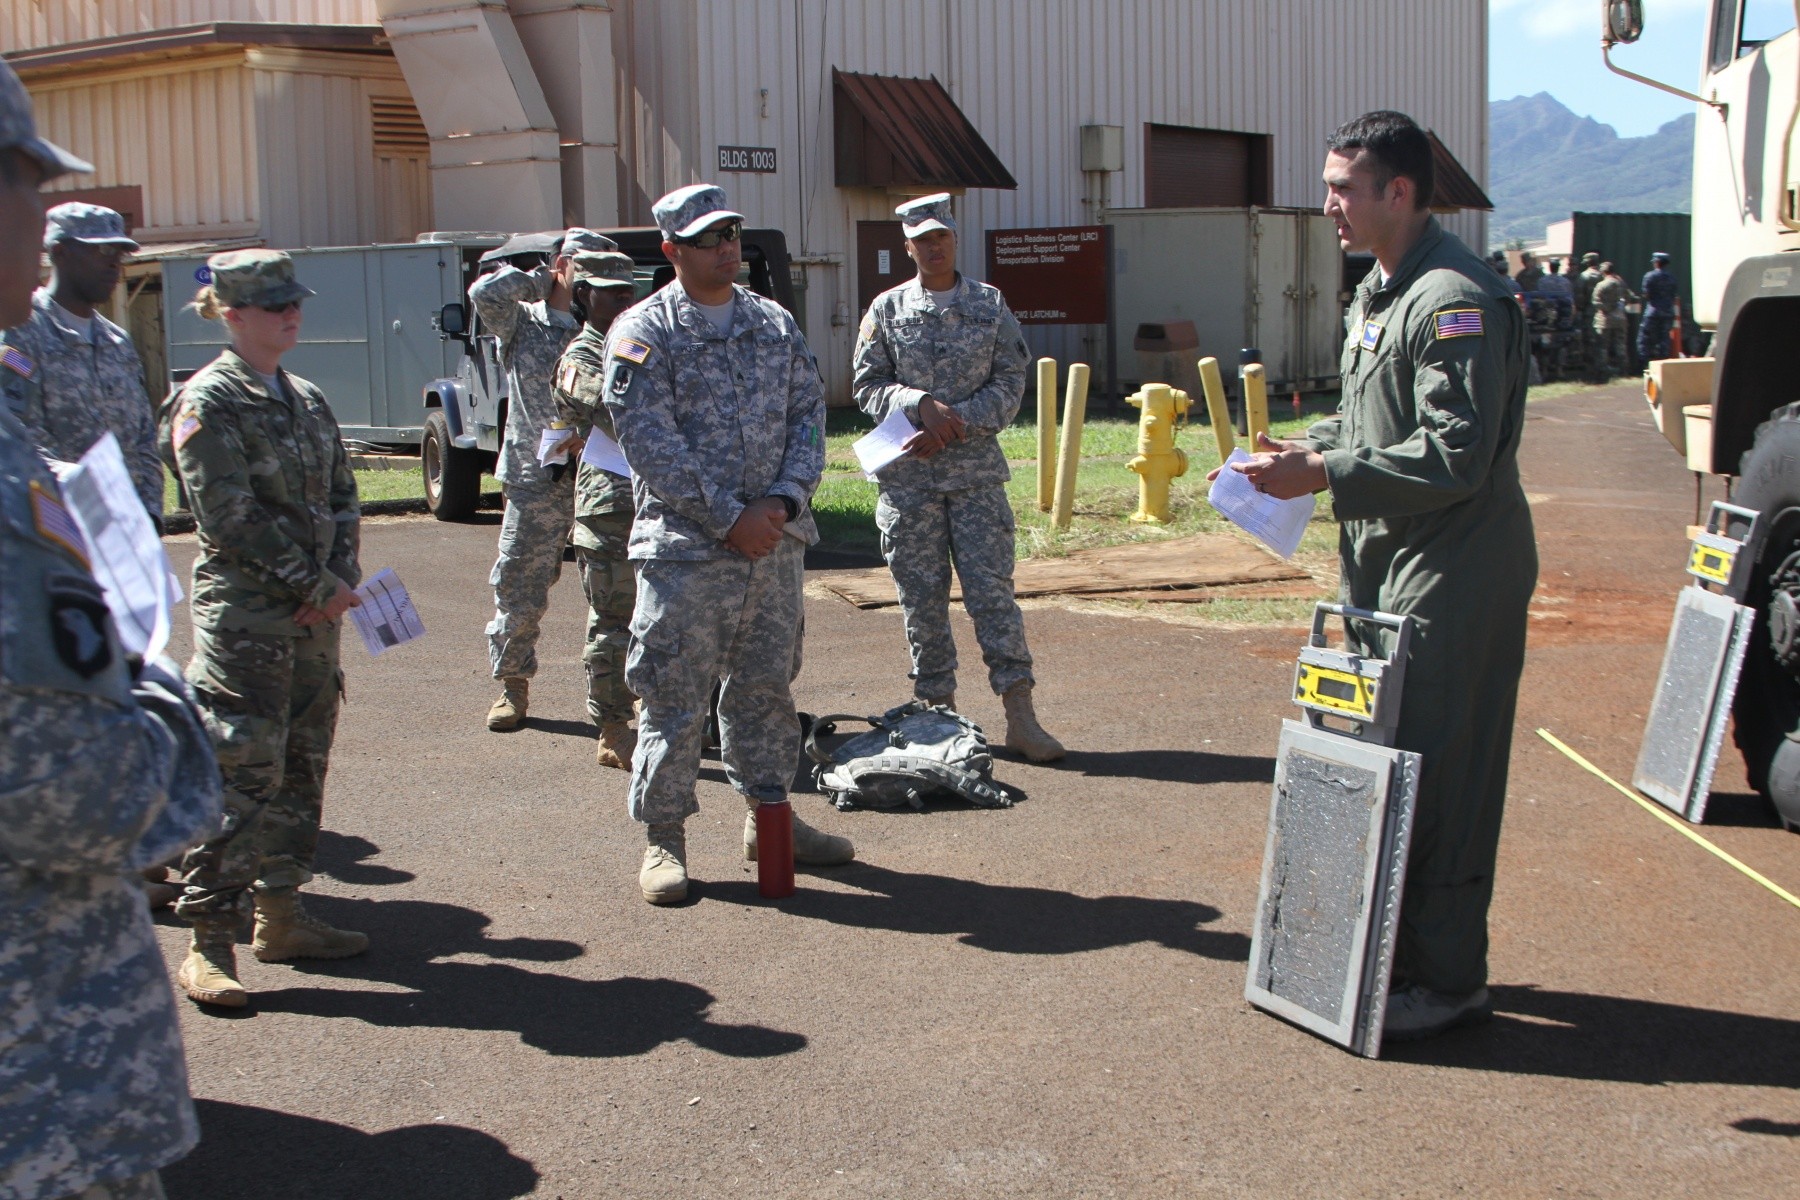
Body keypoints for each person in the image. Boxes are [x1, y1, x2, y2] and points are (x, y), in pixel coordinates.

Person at [1218, 111, 1536, 1041]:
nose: (1328, 205)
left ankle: (1448, 980)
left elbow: (1454, 455)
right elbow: (1373, 424)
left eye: (1342, 188)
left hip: (1452, 571)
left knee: (1440, 773)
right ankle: (1396, 957)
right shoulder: (1382, 292)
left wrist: (1321, 473)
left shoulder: (1453, 300)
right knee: (1386, 761)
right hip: (1388, 562)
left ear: (1399, 191)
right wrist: (1298, 450)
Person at [0, 58, 222, 1200]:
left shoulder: (100, 344)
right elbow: (84, 790)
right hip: (43, 1098)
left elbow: (127, 450)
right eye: (31, 190)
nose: (105, 259)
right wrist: (160, 698)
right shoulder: (25, 355)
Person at [602, 183, 853, 905]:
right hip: (688, 552)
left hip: (773, 546)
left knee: (766, 691)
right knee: (673, 698)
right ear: (673, 250)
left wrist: (783, 500)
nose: (726, 248)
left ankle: (769, 820)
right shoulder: (644, 332)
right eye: (708, 238)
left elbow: (809, 414)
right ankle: (664, 839)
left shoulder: (771, 322)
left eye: (732, 233)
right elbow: (650, 444)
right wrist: (728, 517)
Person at [162, 249, 368, 1008]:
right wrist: (314, 586)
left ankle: (281, 914)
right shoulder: (207, 401)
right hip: (248, 620)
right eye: (275, 304)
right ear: (231, 314)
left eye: (295, 302)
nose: (292, 314)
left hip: (314, 621)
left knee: (302, 764)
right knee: (241, 772)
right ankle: (208, 942)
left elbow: (343, 494)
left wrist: (337, 578)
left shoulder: (305, 397)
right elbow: (228, 517)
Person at [851, 192, 1063, 761]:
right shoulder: (887, 309)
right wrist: (918, 404)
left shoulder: (989, 304)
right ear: (908, 248)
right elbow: (866, 385)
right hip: (909, 482)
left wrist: (955, 424)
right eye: (921, 240)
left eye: (940, 236)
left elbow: (1010, 380)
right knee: (921, 602)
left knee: (992, 596)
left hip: (975, 481)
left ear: (954, 237)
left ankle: (1020, 715)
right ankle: (936, 718)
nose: (933, 247)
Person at [472, 226, 614, 731]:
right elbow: (484, 294)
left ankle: (616, 700)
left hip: (600, 473)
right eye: (584, 264)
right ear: (562, 266)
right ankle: (512, 686)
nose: (596, 275)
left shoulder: (606, 326)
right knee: (520, 585)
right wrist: (540, 280)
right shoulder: (522, 321)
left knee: (614, 591)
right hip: (536, 479)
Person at [0, 201, 163, 523]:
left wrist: (150, 514)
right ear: (59, 252)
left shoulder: (117, 342)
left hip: (126, 530)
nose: (114, 263)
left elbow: (144, 437)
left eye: (120, 253)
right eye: (102, 250)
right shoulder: (22, 331)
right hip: (56, 528)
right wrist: (83, 492)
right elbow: (14, 434)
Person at [550, 248, 640, 769]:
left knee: (670, 620)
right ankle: (613, 726)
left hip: (661, 502)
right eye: (613, 292)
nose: (626, 300)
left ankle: (667, 716)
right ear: (584, 295)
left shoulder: (641, 343)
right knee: (614, 620)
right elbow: (615, 408)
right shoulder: (580, 357)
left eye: (630, 290)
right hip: (610, 507)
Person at [1591, 261, 1632, 380]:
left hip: (1605, 320)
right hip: (1620, 319)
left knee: (1603, 346)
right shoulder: (1621, 283)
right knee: (1620, 345)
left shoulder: (1601, 285)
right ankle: (1623, 371)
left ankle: (1602, 372)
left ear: (1603, 272)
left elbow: (1595, 302)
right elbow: (1628, 297)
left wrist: (1607, 308)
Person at [1638, 250, 1678, 364]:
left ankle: (1644, 364)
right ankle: (1662, 363)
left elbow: (1646, 294)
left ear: (1656, 262)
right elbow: (1673, 295)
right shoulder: (1672, 278)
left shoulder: (1649, 276)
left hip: (1653, 312)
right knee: (1664, 338)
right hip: (1668, 312)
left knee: (1645, 338)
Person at [1574, 251, 1605, 379]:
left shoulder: (1584, 276)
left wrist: (1580, 309)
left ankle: (1591, 370)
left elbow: (1580, 297)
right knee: (1600, 342)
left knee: (1588, 342)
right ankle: (1601, 367)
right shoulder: (1602, 276)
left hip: (1588, 313)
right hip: (1602, 313)